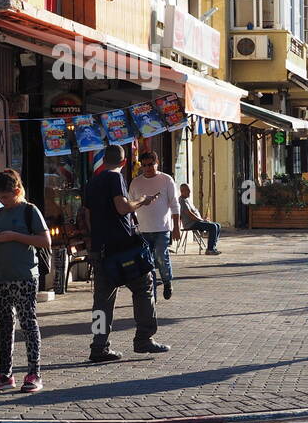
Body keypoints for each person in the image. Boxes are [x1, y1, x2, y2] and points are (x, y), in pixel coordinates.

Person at [84, 144, 166, 361]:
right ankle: (144, 339)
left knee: (102, 301)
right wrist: (142, 201)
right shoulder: (114, 178)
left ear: (104, 160)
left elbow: (85, 215)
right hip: (123, 248)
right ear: (123, 162)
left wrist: (94, 242)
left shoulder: (92, 182)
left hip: (101, 250)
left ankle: (98, 346)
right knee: (144, 288)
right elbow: (122, 207)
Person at [0, 169, 50, 392]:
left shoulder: (30, 211)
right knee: (4, 326)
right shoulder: (0, 214)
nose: (3, 201)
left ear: (17, 191)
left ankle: (34, 372)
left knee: (28, 323)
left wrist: (14, 236)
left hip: (24, 277)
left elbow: (45, 241)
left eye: (6, 197)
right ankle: (5, 374)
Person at [129, 150, 180, 299]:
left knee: (161, 256)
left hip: (162, 228)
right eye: (144, 165)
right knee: (147, 262)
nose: (148, 168)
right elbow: (129, 205)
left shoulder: (166, 180)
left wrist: (176, 228)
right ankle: (151, 291)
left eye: (151, 164)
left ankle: (167, 281)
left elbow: (175, 205)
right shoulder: (136, 182)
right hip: (143, 230)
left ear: (157, 164)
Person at [178, 183, 221, 253]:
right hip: (191, 223)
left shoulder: (187, 199)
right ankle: (210, 249)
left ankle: (213, 247)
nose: (189, 192)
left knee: (218, 225)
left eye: (189, 190)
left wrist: (203, 219)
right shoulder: (182, 201)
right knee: (213, 227)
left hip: (196, 221)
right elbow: (189, 214)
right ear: (182, 191)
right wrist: (201, 220)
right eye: (187, 190)